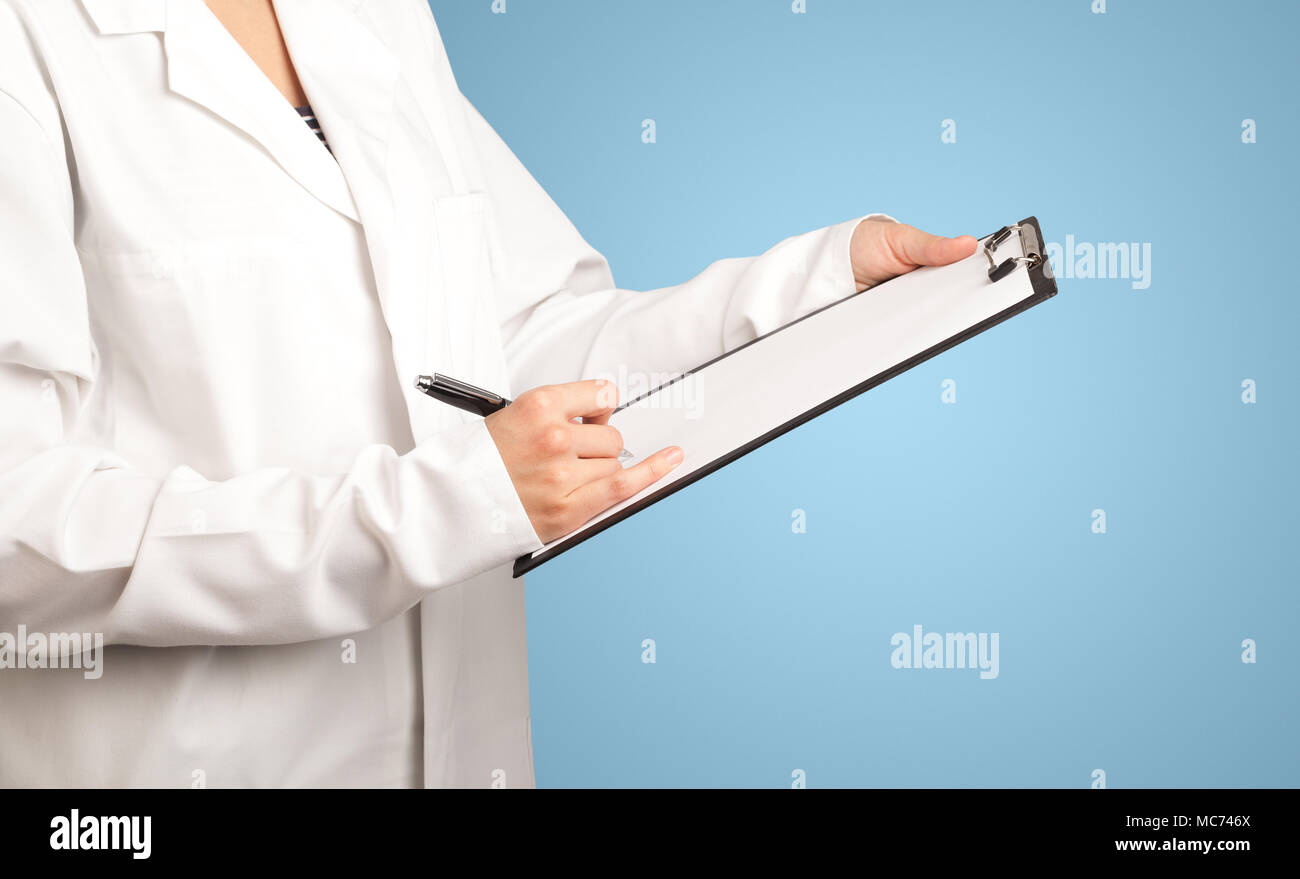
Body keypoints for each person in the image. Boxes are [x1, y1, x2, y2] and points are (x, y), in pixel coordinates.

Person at [0, 0, 977, 787]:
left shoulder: (373, 17)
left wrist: (810, 293)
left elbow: (506, 348)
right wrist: (443, 507)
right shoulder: (26, 40)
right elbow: (20, 528)